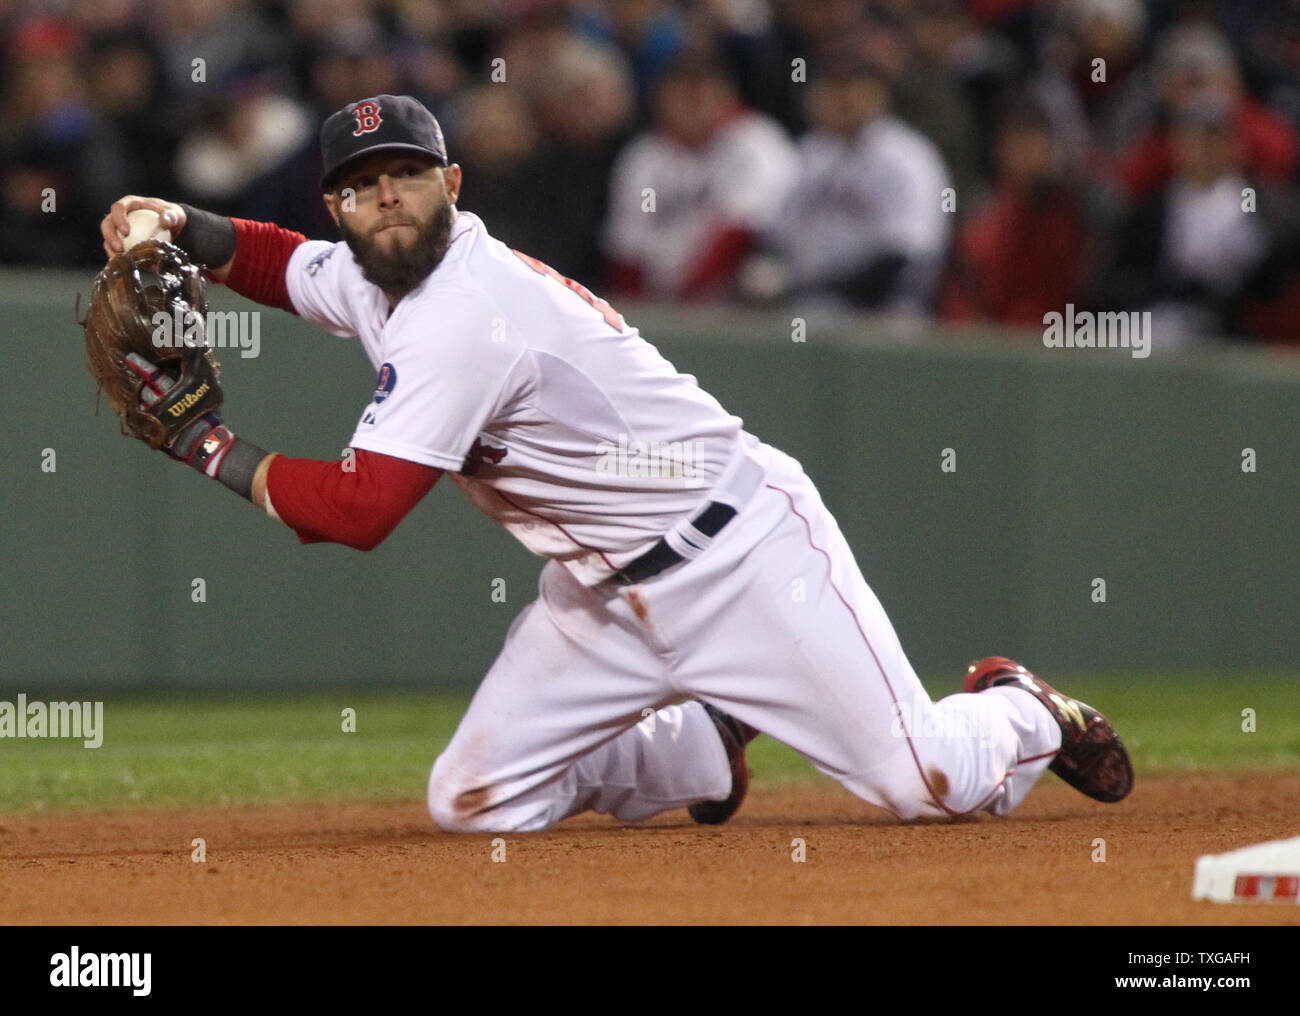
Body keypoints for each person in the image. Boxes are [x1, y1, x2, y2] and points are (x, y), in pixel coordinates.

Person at [100, 94, 1133, 833]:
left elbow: (361, 512)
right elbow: (282, 263)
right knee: (471, 802)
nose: (387, 199)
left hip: (739, 553)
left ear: (449, 183)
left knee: (931, 784)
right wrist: (171, 221)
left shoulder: (468, 310)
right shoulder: (378, 272)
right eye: (361, 186)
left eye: (405, 175)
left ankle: (1018, 706)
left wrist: (204, 444)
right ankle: (699, 745)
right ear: (341, 207)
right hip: (598, 596)